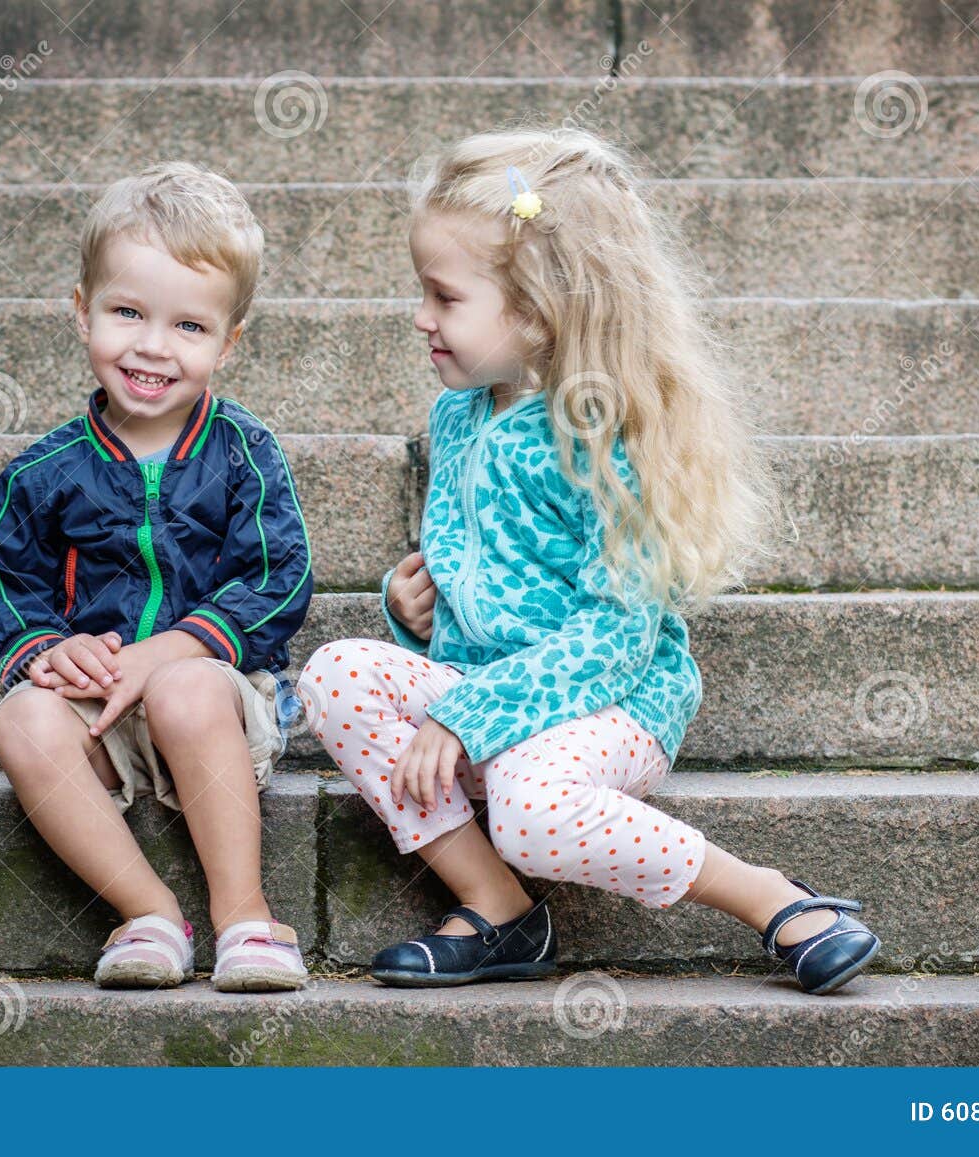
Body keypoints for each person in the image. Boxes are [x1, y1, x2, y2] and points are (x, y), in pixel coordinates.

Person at [302, 129, 881, 994]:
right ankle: (498, 908)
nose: (421, 316)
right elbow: (471, 569)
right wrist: (414, 608)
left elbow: (614, 635)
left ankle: (769, 898)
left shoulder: (603, 435)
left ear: (537, 309)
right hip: (482, 697)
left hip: (611, 702)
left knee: (533, 812)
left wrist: (467, 716)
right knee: (335, 672)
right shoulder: (459, 415)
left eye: (443, 296)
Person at [0, 161, 313, 992]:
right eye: (127, 312)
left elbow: (278, 576)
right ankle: (150, 913)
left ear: (229, 343)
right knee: (20, 720)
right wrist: (47, 651)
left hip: (216, 704)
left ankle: (245, 916)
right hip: (101, 711)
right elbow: (1, 579)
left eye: (189, 326)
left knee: (186, 689)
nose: (154, 345)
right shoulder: (43, 471)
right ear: (82, 312)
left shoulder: (243, 453)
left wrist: (177, 650)